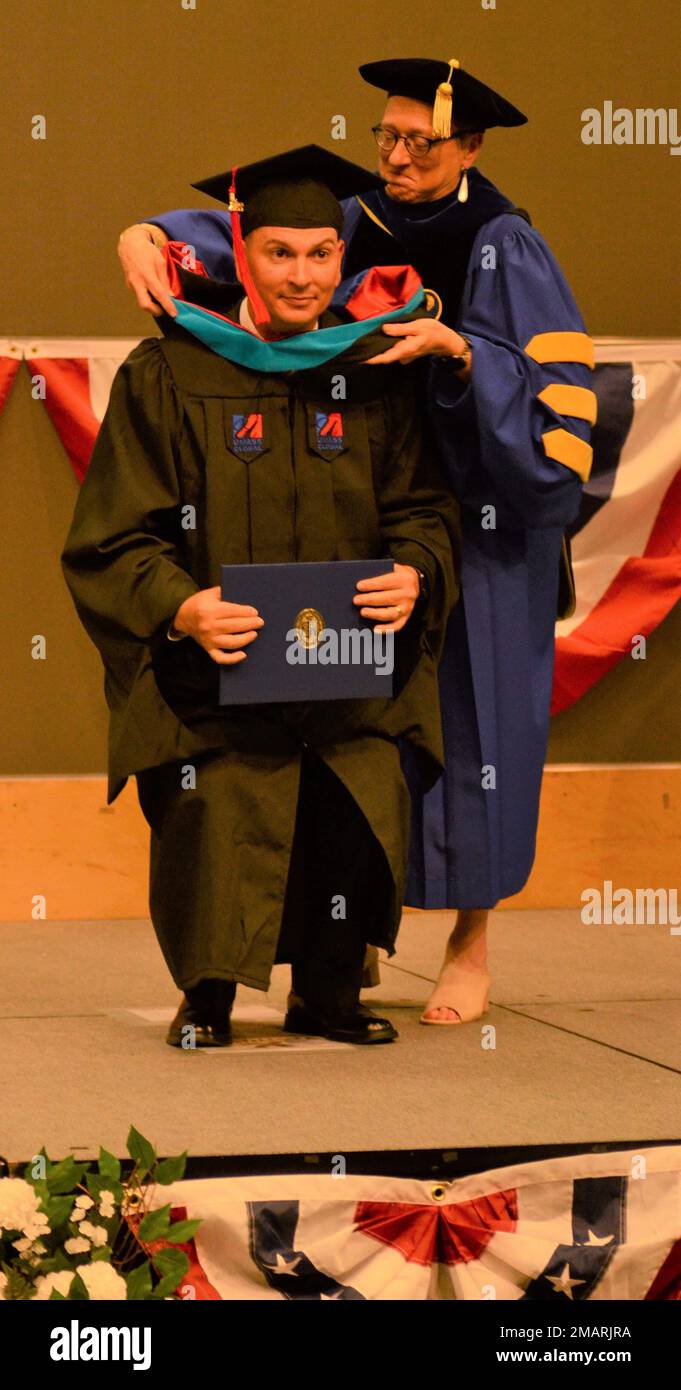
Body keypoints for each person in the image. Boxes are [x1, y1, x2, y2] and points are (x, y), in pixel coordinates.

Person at [116, 57, 596, 1027]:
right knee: (374, 734)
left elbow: (562, 422)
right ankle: (346, 949)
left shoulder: (504, 244)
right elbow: (253, 236)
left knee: (478, 740)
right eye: (386, 135)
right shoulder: (360, 221)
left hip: (484, 522)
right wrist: (146, 232)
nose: (397, 154)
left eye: (420, 141)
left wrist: (459, 350)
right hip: (372, 509)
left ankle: (471, 945)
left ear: (469, 146)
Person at [62, 146, 459, 1049]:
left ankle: (329, 993)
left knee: (353, 785)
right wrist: (182, 605)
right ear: (240, 257)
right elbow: (111, 536)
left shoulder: (375, 372)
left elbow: (425, 510)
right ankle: (207, 994)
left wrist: (415, 572)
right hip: (219, 669)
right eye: (280, 253)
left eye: (321, 255)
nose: (302, 276)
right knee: (222, 786)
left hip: (345, 671)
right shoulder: (170, 373)